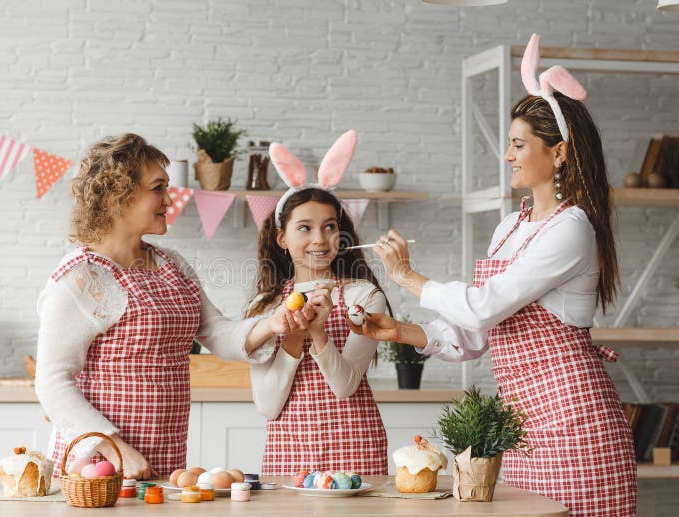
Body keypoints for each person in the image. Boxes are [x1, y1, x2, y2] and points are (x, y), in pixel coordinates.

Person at [349, 35, 636, 516]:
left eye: (519, 144)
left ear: (559, 153)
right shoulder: (510, 228)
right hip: (520, 428)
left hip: (574, 424)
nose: (508, 155)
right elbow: (476, 330)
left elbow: (485, 304)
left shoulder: (572, 229)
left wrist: (408, 277)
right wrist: (399, 331)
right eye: (509, 143)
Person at [35, 133, 309, 479]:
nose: (169, 198)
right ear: (119, 195)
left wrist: (272, 323)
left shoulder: (171, 264)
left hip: (164, 458)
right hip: (98, 467)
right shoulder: (80, 278)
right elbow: (51, 382)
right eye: (158, 188)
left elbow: (217, 332)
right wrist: (115, 449)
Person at [247, 131, 390, 476]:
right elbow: (267, 406)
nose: (319, 239)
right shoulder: (264, 307)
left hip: (356, 452)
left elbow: (345, 386)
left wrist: (319, 333)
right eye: (305, 228)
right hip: (289, 455)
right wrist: (294, 338)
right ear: (282, 237)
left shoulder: (364, 296)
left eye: (329, 227)